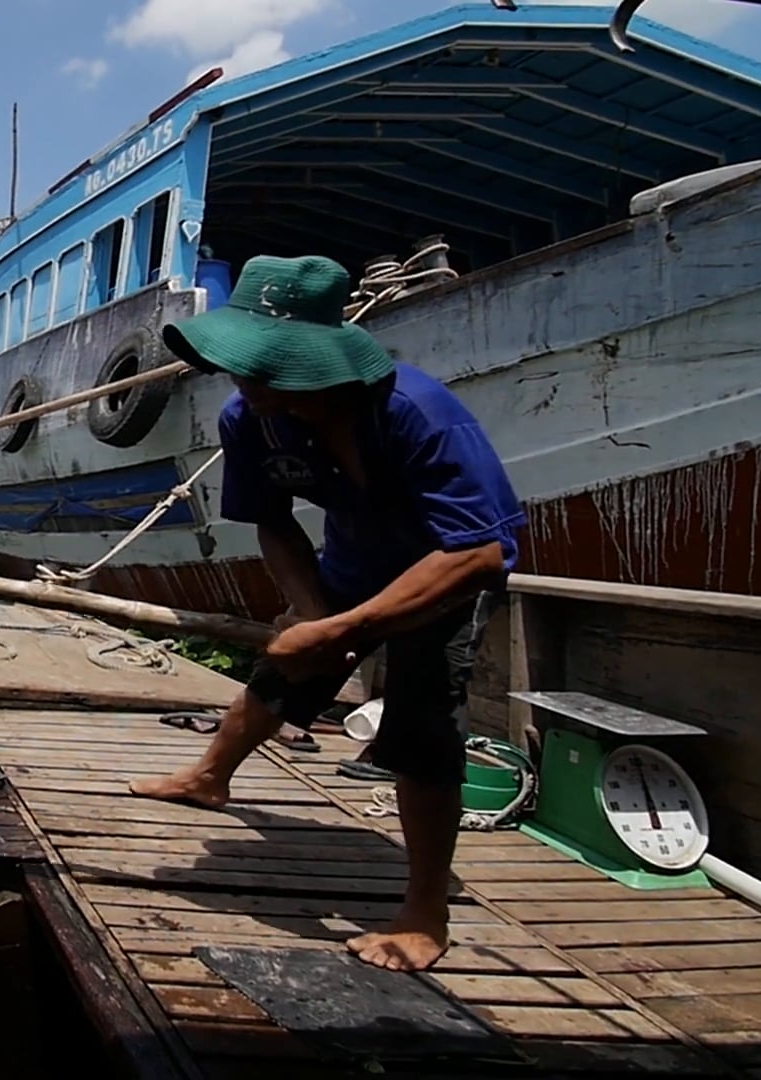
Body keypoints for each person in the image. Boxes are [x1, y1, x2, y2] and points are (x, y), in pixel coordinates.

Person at [128, 254, 526, 974]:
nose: (246, 381)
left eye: (266, 366)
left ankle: (425, 910)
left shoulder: (417, 412)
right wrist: (312, 612)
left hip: (439, 579)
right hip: (350, 565)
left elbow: (481, 551)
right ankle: (210, 777)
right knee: (284, 670)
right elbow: (273, 523)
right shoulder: (250, 418)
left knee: (422, 724)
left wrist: (347, 629)